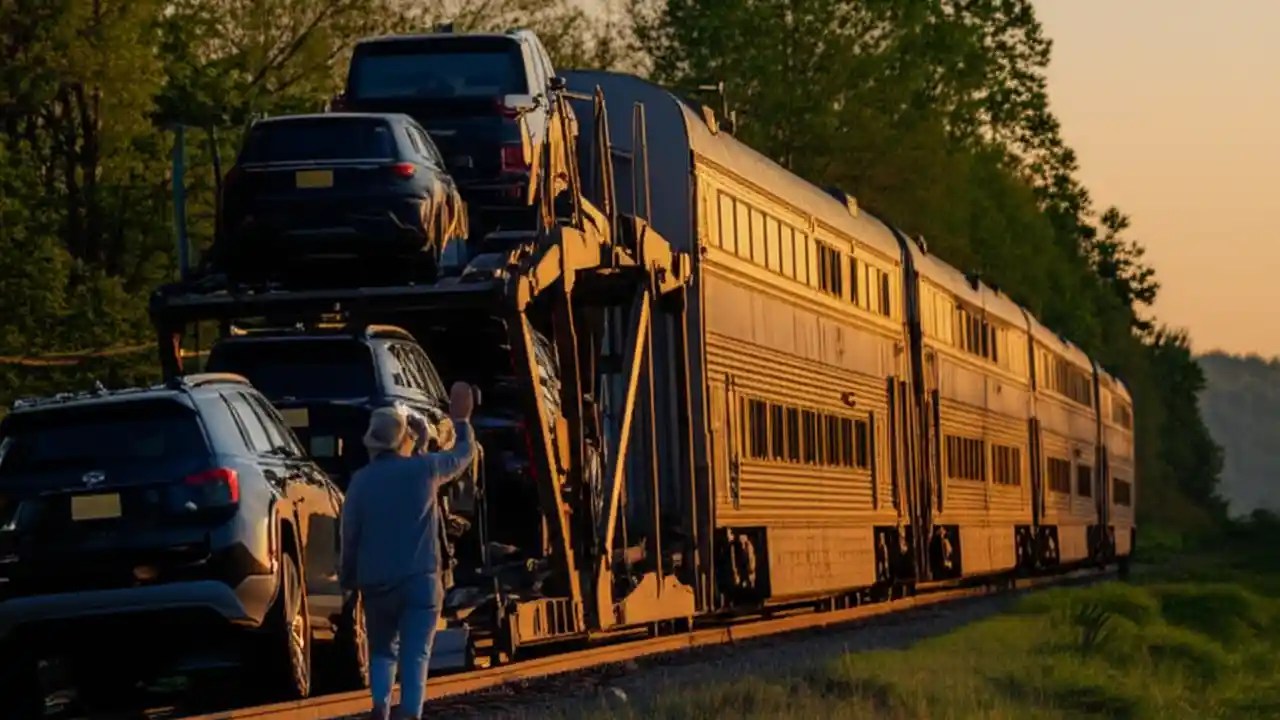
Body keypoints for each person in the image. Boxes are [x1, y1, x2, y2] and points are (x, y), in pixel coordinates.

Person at [340, 382, 477, 720]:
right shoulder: (425, 470)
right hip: (420, 581)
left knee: (383, 649)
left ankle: (380, 705)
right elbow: (463, 454)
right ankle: (411, 713)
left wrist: (348, 576)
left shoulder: (360, 482)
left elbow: (350, 534)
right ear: (405, 439)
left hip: (376, 582)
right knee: (417, 653)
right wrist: (460, 420)